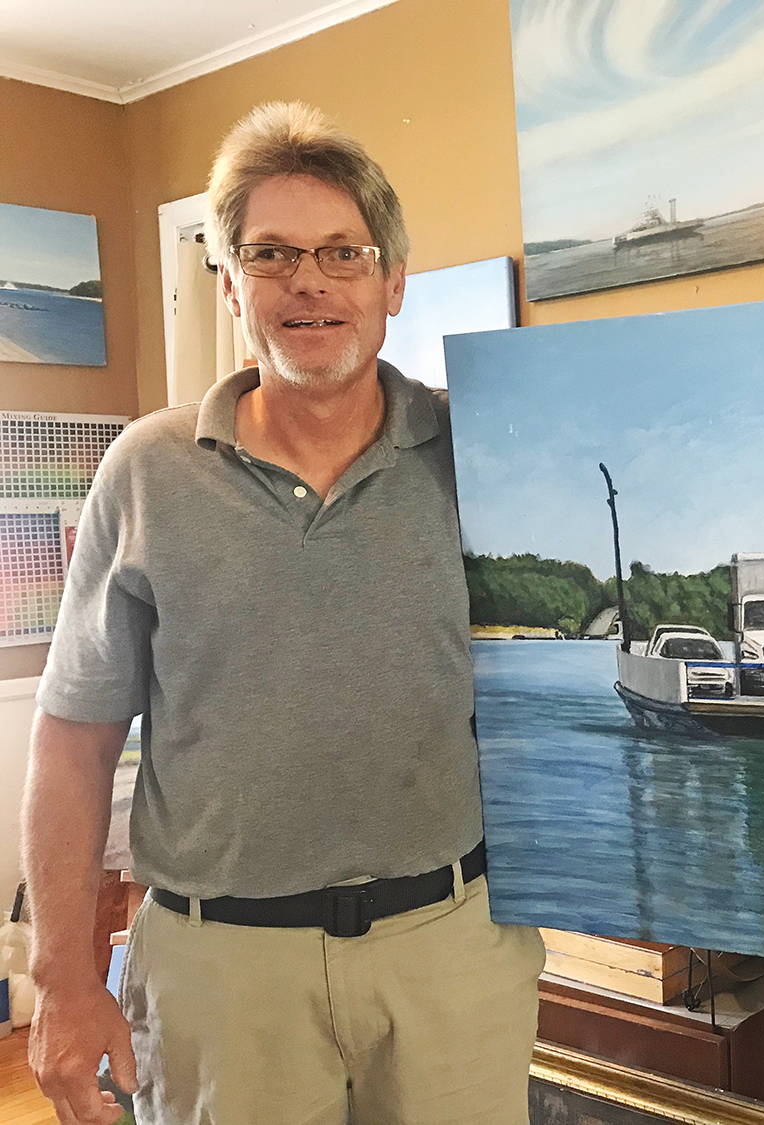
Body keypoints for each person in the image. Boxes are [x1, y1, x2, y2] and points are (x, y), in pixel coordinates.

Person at [21, 102, 544, 1125]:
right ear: (230, 286)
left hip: (450, 952)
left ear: (393, 283)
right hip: (221, 973)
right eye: (271, 254)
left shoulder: (485, 455)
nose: (310, 281)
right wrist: (64, 980)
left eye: (344, 252)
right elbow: (74, 740)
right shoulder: (147, 471)